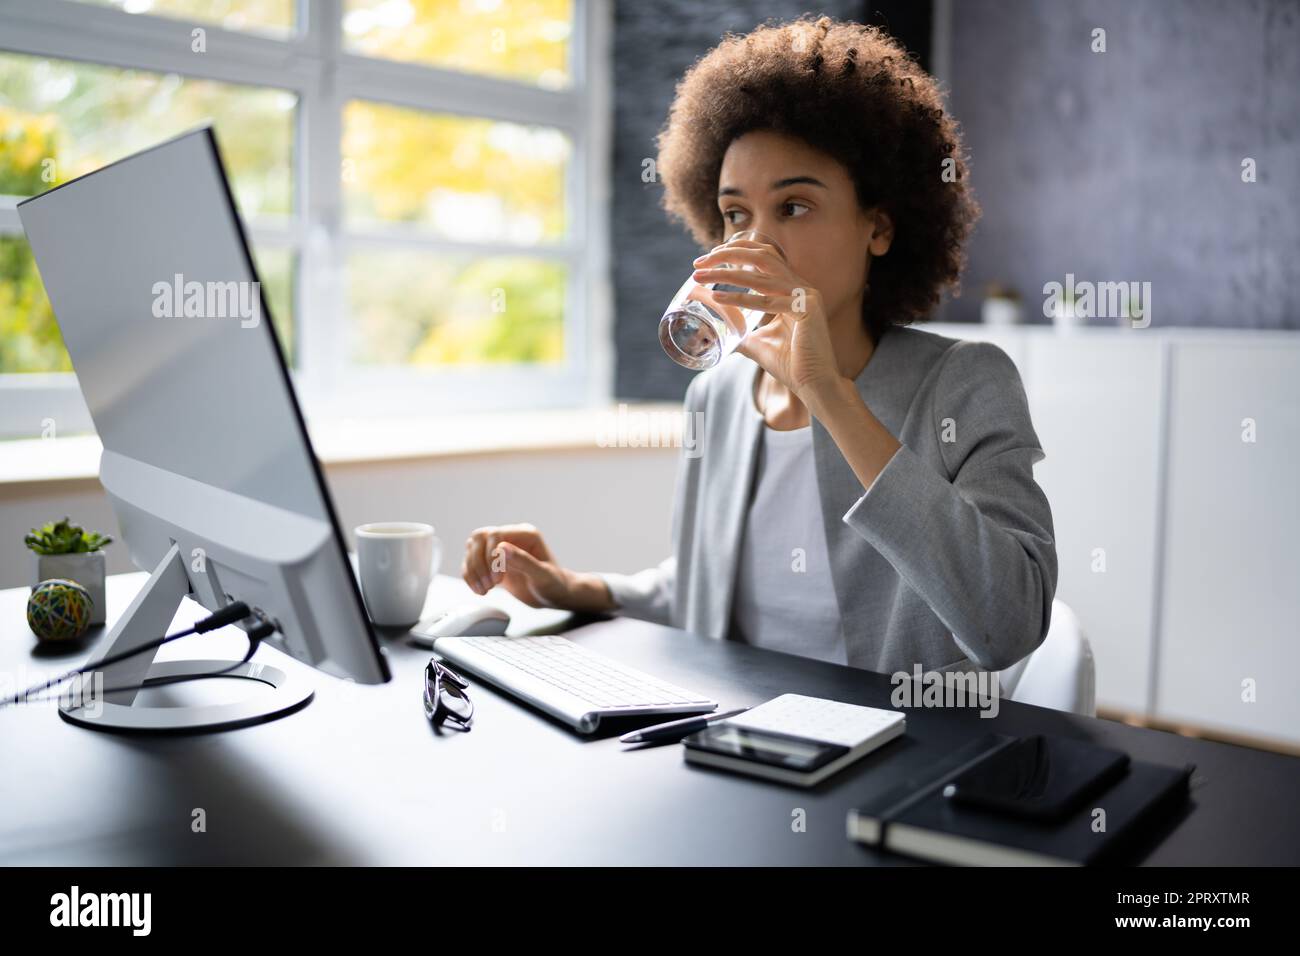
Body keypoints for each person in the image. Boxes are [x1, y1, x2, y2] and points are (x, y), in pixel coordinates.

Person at [460, 15, 1057, 676]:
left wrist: (828, 392)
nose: (755, 244)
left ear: (879, 227)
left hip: (896, 755)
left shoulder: (965, 383)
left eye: (794, 207)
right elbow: (704, 589)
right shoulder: (715, 395)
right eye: (736, 215)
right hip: (737, 738)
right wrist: (577, 588)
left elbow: (1008, 623)